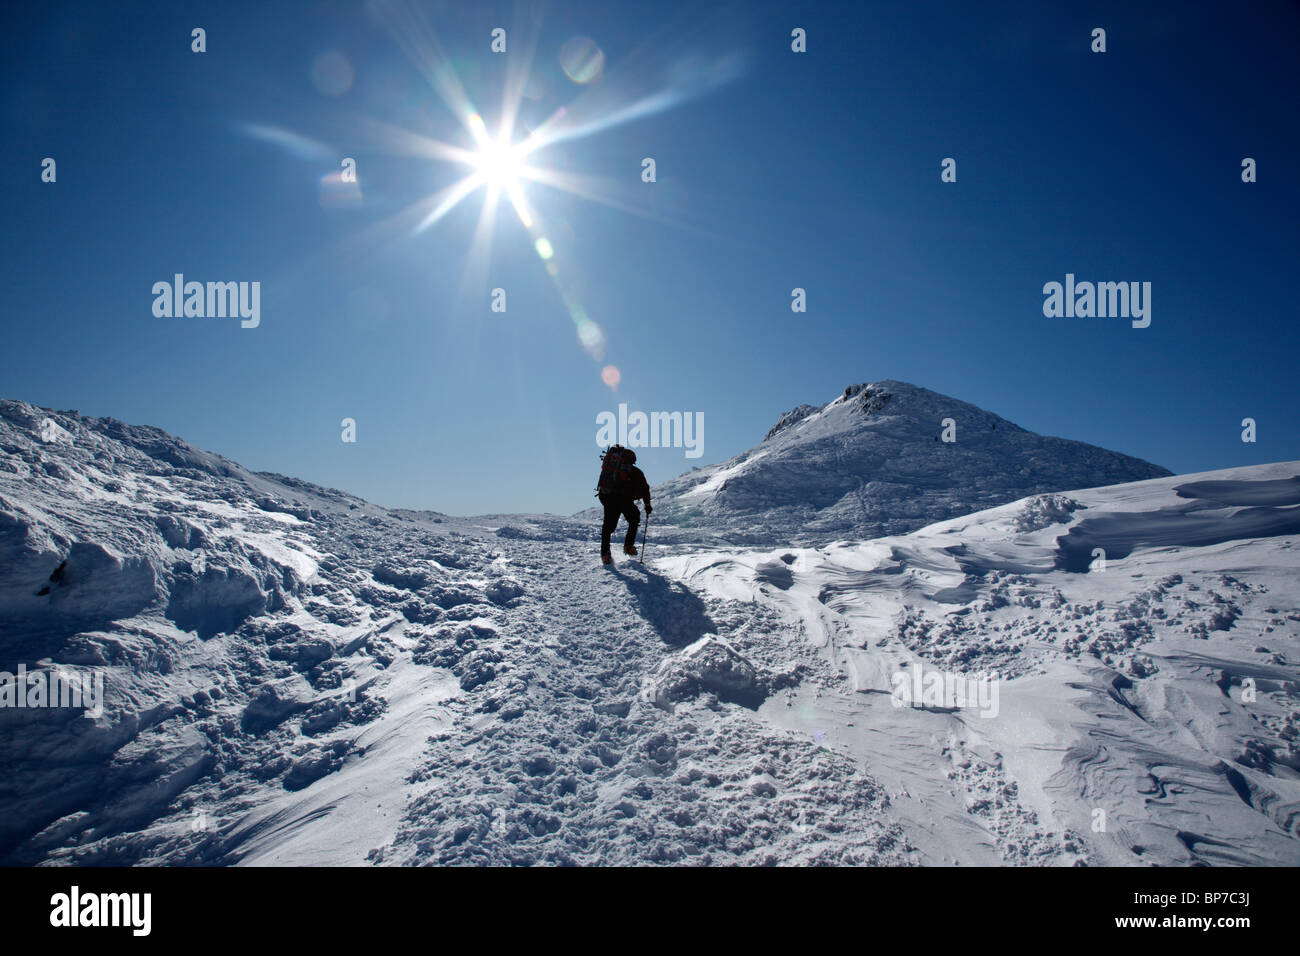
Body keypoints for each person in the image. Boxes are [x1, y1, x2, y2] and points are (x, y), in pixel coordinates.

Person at [595, 445, 652, 564]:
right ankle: (628, 546)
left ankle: (605, 554)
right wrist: (647, 505)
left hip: (607, 497)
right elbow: (645, 489)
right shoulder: (635, 472)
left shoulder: (608, 469)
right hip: (624, 500)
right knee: (634, 518)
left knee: (608, 526)